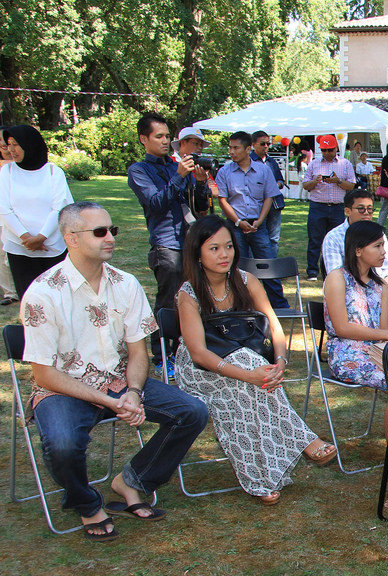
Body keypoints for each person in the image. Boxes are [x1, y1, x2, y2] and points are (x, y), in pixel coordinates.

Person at [22, 201, 207, 541]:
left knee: (192, 411)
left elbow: (138, 351)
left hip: (121, 381)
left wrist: (133, 393)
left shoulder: (126, 283)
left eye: (112, 230)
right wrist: (110, 401)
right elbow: (44, 375)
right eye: (99, 232)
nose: (110, 238)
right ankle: (86, 503)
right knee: (63, 444)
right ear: (71, 239)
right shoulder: (43, 292)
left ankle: (133, 480)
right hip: (63, 388)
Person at [175, 216, 336, 505]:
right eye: (213, 248)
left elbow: (274, 325)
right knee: (248, 378)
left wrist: (280, 363)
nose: (224, 255)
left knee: (248, 389)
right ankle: (304, 441)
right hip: (200, 369)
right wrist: (249, 374)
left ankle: (261, 479)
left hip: (247, 364)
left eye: (228, 247)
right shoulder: (188, 293)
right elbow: (198, 352)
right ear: (197, 253)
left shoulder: (246, 280)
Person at [323, 220, 388, 480]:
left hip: (375, 350)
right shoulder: (337, 278)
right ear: (358, 250)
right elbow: (341, 327)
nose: (384, 251)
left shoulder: (380, 285)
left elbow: (381, 329)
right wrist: (386, 335)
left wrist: (385, 337)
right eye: (378, 245)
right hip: (346, 354)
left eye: (384, 245)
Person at [129, 114, 210, 374]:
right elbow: (155, 204)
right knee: (167, 302)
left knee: (193, 299)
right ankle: (163, 356)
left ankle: (189, 352)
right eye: (159, 137)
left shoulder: (178, 166)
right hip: (165, 243)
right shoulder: (139, 170)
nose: (165, 141)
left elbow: (198, 208)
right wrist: (177, 177)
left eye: (167, 136)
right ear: (144, 139)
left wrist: (199, 183)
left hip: (189, 242)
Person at [214, 131, 288, 310]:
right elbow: (222, 200)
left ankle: (279, 305)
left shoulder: (263, 170)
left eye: (236, 148)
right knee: (238, 266)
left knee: (268, 264)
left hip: (258, 226)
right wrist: (238, 222)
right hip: (234, 226)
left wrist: (259, 221)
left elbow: (269, 197)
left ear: (248, 149)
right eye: (230, 148)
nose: (232, 152)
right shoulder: (224, 172)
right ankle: (241, 305)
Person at [0, 124, 74, 298]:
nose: (11, 150)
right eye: (8, 144)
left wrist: (41, 237)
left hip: (51, 247)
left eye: (15, 144)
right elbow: (4, 208)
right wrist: (26, 238)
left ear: (29, 144)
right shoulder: (7, 173)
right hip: (20, 248)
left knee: (57, 297)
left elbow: (59, 208)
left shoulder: (53, 172)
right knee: (29, 300)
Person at [321, 188, 388, 321]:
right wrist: (372, 289)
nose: (366, 213)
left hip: (383, 291)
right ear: (347, 211)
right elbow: (336, 275)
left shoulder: (378, 234)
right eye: (361, 209)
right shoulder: (334, 238)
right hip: (353, 296)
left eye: (370, 209)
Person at [302, 134, 356, 280]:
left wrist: (337, 181)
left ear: (336, 148)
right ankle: (312, 271)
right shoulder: (314, 164)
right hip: (317, 206)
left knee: (337, 240)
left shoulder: (345, 164)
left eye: (330, 150)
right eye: (324, 150)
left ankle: (332, 270)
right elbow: (306, 185)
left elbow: (351, 185)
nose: (327, 153)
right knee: (315, 239)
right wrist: (315, 181)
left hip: (337, 208)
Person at [250, 131, 286, 253]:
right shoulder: (249, 161)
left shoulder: (271, 161)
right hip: (258, 205)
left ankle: (273, 264)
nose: (266, 146)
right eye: (262, 144)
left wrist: (277, 185)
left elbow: (280, 180)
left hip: (274, 204)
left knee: (274, 238)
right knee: (260, 239)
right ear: (253, 144)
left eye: (268, 144)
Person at [170, 126, 215, 218]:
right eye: (195, 143)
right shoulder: (170, 162)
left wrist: (202, 183)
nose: (199, 147)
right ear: (182, 142)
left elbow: (215, 192)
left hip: (198, 216)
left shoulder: (200, 165)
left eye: (201, 145)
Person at [0, 129, 18, 305]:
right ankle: (10, 292)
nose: (5, 145)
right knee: (1, 254)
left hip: (21, 217)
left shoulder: (28, 165)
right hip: (2, 215)